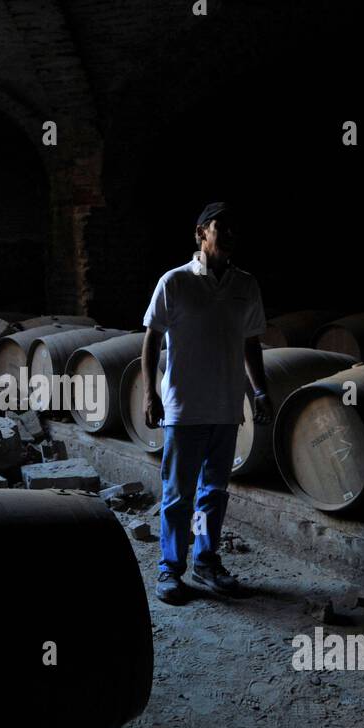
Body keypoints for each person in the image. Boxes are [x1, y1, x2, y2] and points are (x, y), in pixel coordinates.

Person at [141, 202, 272, 605]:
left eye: (235, 228)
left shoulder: (246, 285)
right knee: (178, 493)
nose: (230, 234)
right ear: (201, 233)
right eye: (222, 227)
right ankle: (169, 569)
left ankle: (206, 561)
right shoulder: (175, 282)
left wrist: (261, 391)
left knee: (213, 492)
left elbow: (252, 344)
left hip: (226, 408)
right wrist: (150, 392)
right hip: (184, 408)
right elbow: (150, 340)